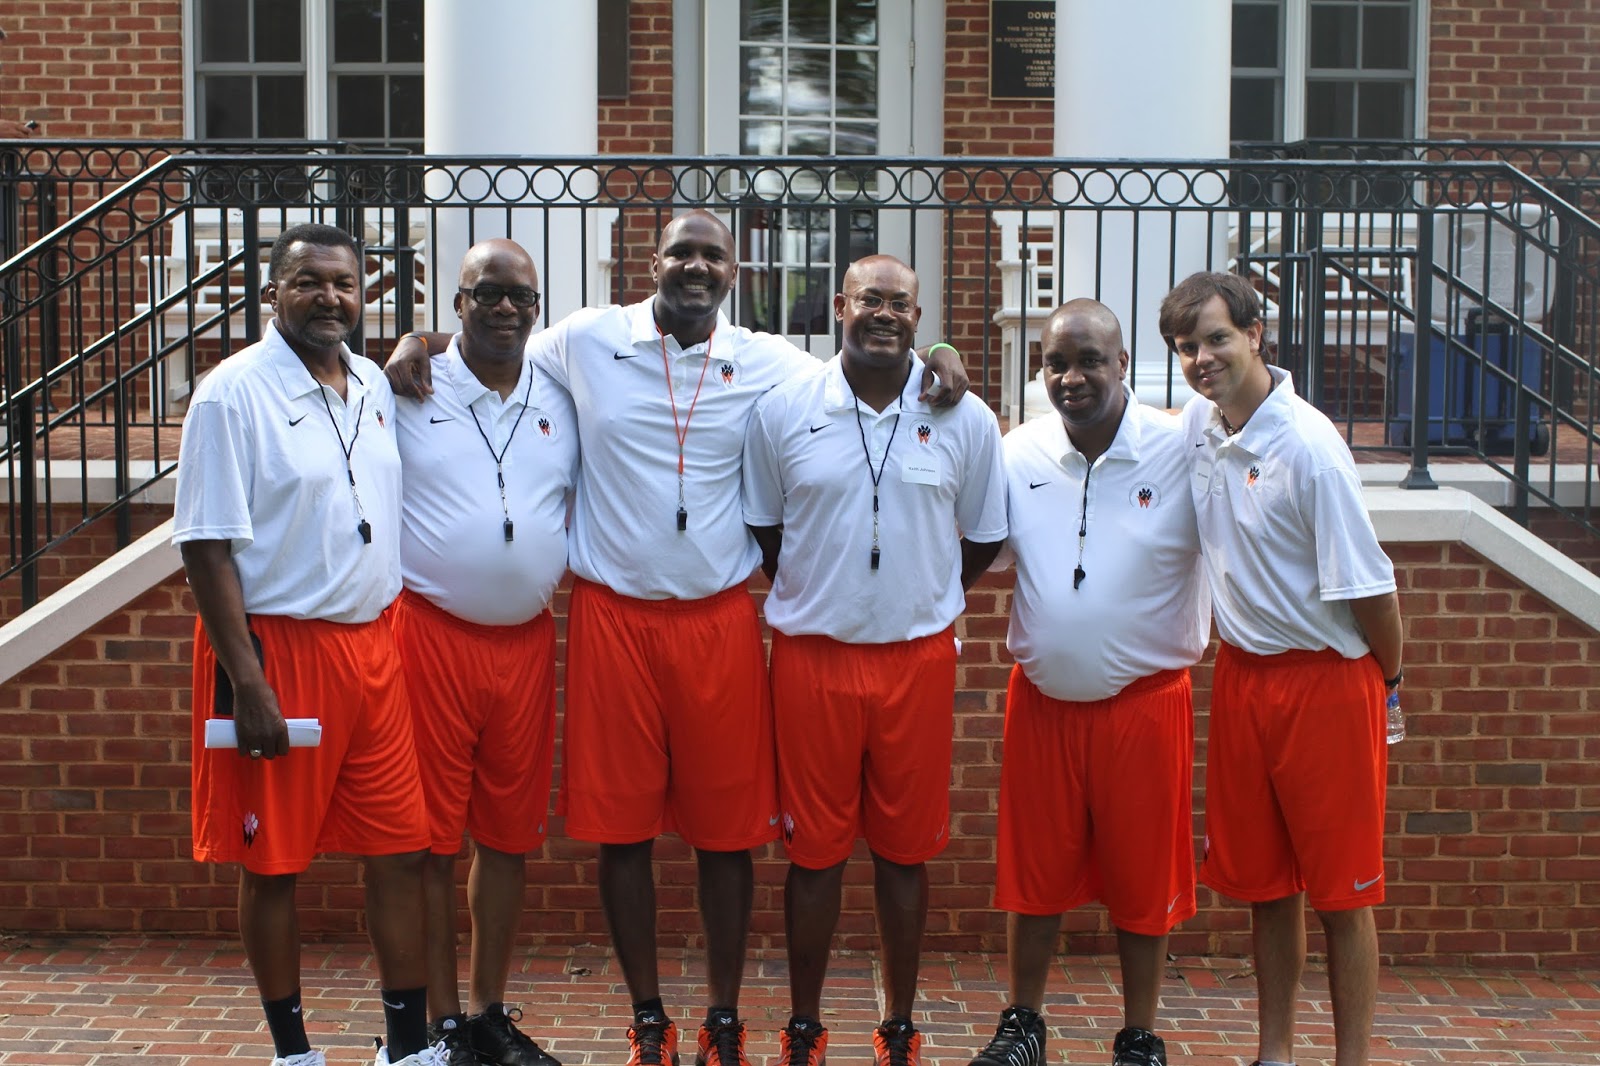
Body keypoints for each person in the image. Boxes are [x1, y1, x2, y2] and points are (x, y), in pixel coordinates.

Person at [383, 211, 969, 1066]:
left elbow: (870, 363)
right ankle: (647, 1014)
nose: (696, 267)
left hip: (719, 617)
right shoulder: (586, 339)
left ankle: (722, 1017)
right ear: (652, 263)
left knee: (727, 835)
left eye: (713, 256)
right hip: (612, 617)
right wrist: (415, 337)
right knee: (621, 834)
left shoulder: (770, 361)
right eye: (681, 253)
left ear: (733, 272)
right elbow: (492, 334)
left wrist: (941, 357)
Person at [173, 223, 439, 1066]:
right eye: (308, 282)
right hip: (276, 651)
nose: (330, 297)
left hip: (373, 647)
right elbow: (205, 544)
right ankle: (293, 1053)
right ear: (270, 294)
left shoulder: (369, 379)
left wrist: (417, 341)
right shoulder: (231, 394)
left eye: (345, 284)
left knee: (400, 850)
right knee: (274, 861)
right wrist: (244, 679)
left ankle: (407, 1048)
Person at [742, 255, 1007, 1066]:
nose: (884, 314)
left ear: (920, 320)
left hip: (916, 662)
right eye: (870, 301)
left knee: (905, 852)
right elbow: (766, 530)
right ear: (839, 306)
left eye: (901, 303)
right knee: (814, 855)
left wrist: (924, 591)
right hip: (813, 659)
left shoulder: (964, 418)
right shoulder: (786, 409)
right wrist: (837, 590)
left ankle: (899, 1025)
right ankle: (806, 1024)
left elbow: (987, 533)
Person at [1161, 271, 1403, 1066]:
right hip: (1243, 678)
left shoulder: (1310, 448)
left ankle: (1354, 1059)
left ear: (1258, 333)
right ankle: (1275, 1053)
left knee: (1343, 893)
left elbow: (1373, 592)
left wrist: (1388, 683)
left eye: (1217, 339)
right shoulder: (1202, 423)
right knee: (1265, 886)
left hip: (1327, 682)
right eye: (1188, 346)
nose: (1202, 358)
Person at [965, 300, 1208, 1066]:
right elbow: (981, 548)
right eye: (1056, 363)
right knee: (1033, 875)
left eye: (1089, 361)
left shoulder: (1178, 448)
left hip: (1145, 703)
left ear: (1124, 363)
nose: (1072, 377)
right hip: (1041, 703)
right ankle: (1023, 1026)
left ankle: (1139, 1035)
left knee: (1143, 877)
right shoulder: (1018, 452)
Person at [389, 239, 577, 1066]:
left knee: (508, 837)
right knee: (430, 839)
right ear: (455, 303)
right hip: (430, 635)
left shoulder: (564, 391)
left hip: (527, 645)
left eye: (521, 298)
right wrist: (411, 342)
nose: (506, 308)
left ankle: (488, 1010)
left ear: (538, 308)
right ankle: (439, 1022)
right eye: (487, 293)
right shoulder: (407, 386)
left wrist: (936, 351)